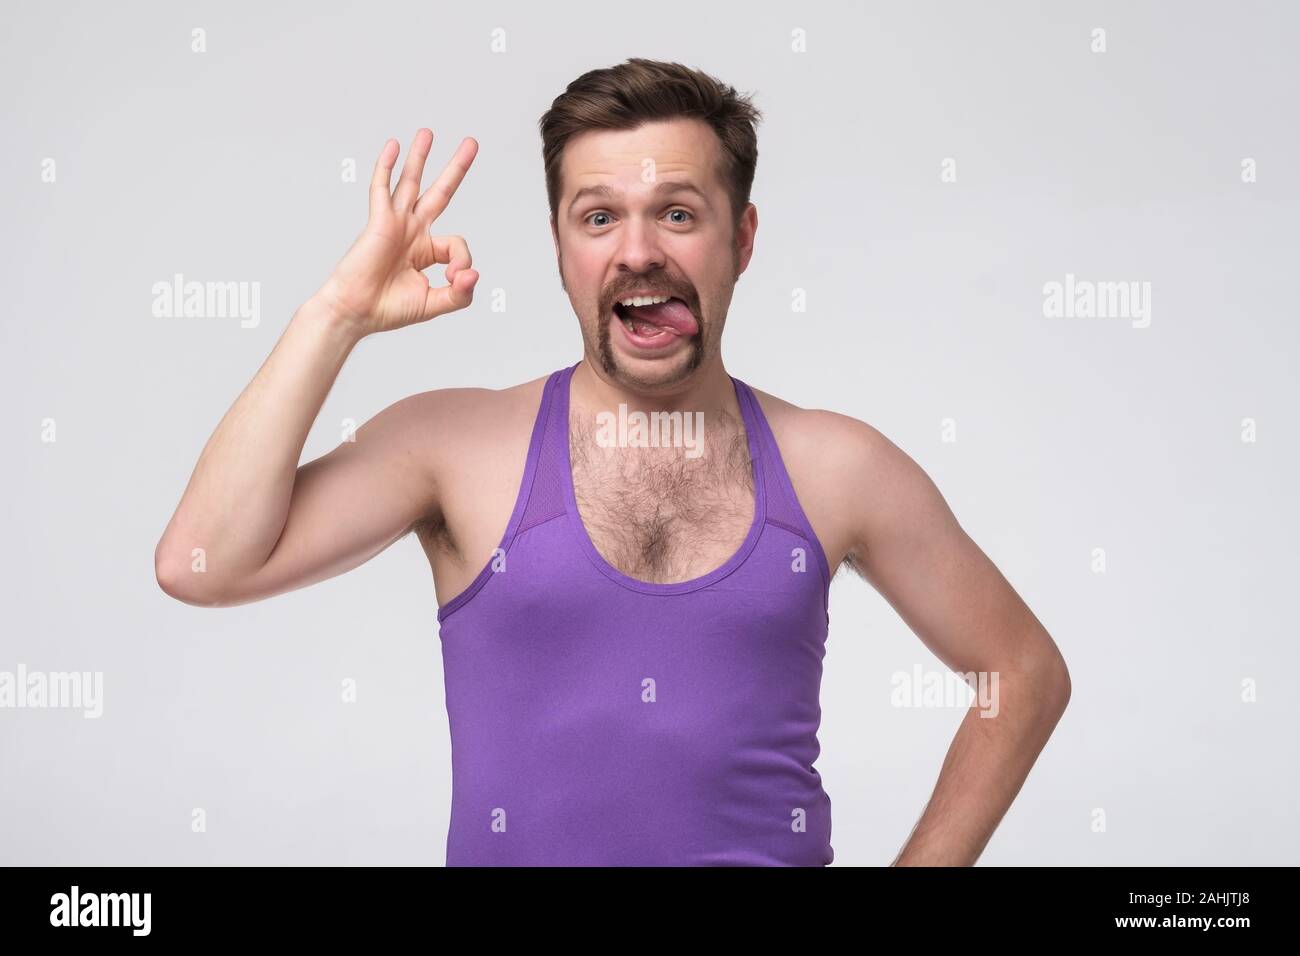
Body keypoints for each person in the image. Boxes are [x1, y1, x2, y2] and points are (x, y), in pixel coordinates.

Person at [154, 58, 1070, 866]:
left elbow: (1021, 673)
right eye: (599, 217)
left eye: (678, 212)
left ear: (741, 241)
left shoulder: (839, 466)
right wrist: (337, 315)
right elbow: (204, 563)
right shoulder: (450, 447)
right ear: (560, 246)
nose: (638, 251)